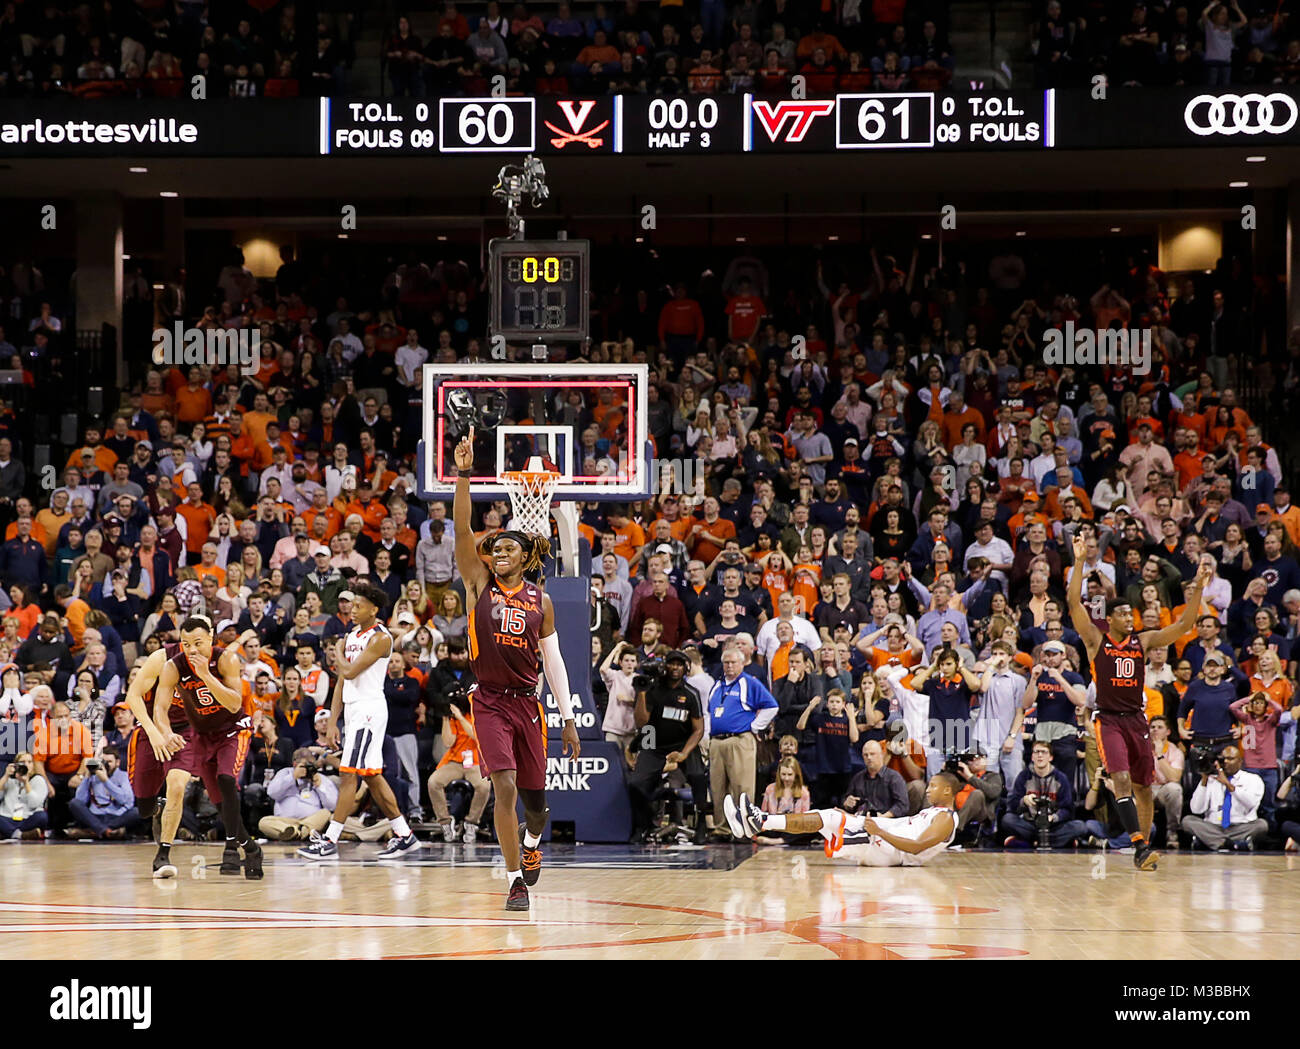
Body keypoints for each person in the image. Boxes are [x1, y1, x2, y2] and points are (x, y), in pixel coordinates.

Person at [450, 428, 579, 911]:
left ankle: (530, 847)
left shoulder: (541, 601)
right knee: (501, 785)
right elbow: (463, 532)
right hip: (488, 700)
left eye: (507, 549)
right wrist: (464, 475)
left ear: (525, 555)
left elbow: (555, 661)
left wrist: (567, 717)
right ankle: (514, 882)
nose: (497, 553)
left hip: (529, 704)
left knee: (537, 807)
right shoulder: (478, 583)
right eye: (495, 549)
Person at [1067, 533, 1210, 871]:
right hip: (1109, 719)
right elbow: (1074, 603)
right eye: (1123, 617)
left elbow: (1184, 624)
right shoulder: (1095, 641)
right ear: (1111, 619)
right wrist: (1077, 561)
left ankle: (1142, 851)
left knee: (1144, 786)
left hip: (1137, 719)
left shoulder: (1143, 641)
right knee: (1120, 779)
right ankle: (1140, 846)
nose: (1129, 620)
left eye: (1130, 617)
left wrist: (1200, 586)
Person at [297, 583, 420, 861]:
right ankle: (404, 835)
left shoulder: (380, 638)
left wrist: (338, 650)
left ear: (374, 609)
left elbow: (349, 670)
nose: (353, 610)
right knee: (371, 775)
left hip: (368, 710)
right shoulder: (353, 634)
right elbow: (342, 680)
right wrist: (333, 721)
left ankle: (329, 840)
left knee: (348, 772)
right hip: (353, 710)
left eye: (359, 605)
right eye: (351, 605)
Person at [154, 617, 263, 878]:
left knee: (226, 779)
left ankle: (230, 847)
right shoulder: (174, 666)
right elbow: (159, 706)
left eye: (198, 643)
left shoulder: (226, 659)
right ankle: (250, 847)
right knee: (217, 801)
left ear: (212, 638)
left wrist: (204, 675)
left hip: (232, 732)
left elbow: (235, 704)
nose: (191, 650)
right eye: (186, 643)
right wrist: (166, 732)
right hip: (202, 735)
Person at [725, 772, 959, 866]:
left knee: (832, 821)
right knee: (831, 816)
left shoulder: (946, 819)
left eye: (933, 786)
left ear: (948, 791)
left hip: (887, 848)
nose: (927, 790)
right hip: (881, 837)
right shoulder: (934, 812)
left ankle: (757, 823)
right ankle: (759, 822)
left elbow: (917, 848)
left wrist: (880, 832)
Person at [627, 648, 707, 843]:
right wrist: (642, 694)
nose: (675, 667)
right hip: (652, 740)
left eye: (680, 664)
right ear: (665, 666)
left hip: (682, 742)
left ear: (686, 668)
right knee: (635, 784)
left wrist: (684, 753)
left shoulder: (691, 693)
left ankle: (701, 824)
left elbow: (698, 729)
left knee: (698, 777)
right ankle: (642, 824)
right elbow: (641, 724)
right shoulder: (653, 688)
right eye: (672, 663)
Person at [706, 644, 778, 840]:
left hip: (739, 739)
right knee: (718, 787)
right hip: (717, 741)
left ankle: (745, 829)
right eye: (726, 662)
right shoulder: (717, 685)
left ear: (741, 663)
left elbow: (771, 706)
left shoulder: (749, 683)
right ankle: (722, 828)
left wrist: (754, 727)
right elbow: (709, 712)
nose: (729, 666)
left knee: (742, 787)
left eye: (733, 662)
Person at [1003, 740, 1088, 848]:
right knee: (1007, 820)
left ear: (1051, 757)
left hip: (1053, 825)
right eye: (1036, 752)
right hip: (1030, 823)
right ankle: (1057, 842)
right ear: (1032, 757)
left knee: (1080, 827)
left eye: (1044, 752)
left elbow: (1067, 809)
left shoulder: (1060, 778)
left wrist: (1053, 817)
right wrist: (1024, 800)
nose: (1040, 755)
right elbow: (1012, 805)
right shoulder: (1024, 776)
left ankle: (1031, 842)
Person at [1182, 744, 1267, 851]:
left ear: (1240, 761)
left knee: (1261, 825)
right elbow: (1196, 809)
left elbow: (1251, 803)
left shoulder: (1252, 779)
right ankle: (1232, 844)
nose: (1225, 762)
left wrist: (1228, 784)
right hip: (1213, 827)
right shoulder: (1211, 779)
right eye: (1223, 759)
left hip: (1240, 827)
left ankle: (1210, 842)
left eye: (1230, 759)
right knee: (1187, 821)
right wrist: (1204, 779)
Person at [428, 701, 491, 844]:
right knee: (434, 782)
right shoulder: (452, 719)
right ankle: (445, 822)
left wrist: (461, 717)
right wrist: (445, 718)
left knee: (484, 786)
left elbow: (476, 736)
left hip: (475, 762)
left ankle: (472, 823)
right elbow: (448, 742)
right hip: (455, 761)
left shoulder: (479, 714)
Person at [258, 748, 340, 841]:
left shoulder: (320, 778)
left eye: (310, 765)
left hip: (311, 821)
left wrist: (320, 786)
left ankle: (297, 833)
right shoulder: (285, 773)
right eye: (303, 765)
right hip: (285, 822)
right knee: (264, 822)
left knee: (326, 813)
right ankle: (299, 833)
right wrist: (292, 778)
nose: (307, 769)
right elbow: (272, 793)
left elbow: (333, 806)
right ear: (295, 764)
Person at [68, 746, 140, 839]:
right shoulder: (93, 775)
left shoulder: (123, 776)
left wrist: (106, 781)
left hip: (115, 816)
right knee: (74, 803)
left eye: (109, 762)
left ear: (117, 763)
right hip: (94, 816)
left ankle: (96, 831)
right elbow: (80, 800)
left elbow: (127, 801)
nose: (105, 765)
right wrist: (87, 777)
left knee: (136, 812)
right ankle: (108, 832)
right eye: (102, 761)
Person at [1148, 715, 1185, 849]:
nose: (1155, 730)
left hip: (1163, 789)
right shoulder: (1141, 749)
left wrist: (1159, 755)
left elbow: (1174, 777)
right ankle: (1139, 834)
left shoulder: (1175, 751)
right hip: (1146, 788)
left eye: (1159, 727)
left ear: (1168, 732)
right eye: (1152, 727)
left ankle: (1172, 832)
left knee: (1174, 789)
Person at [0, 751, 47, 839]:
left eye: (29, 762)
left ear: (33, 765)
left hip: (27, 818)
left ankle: (7, 833)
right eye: (22, 762)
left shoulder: (38, 780)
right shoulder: (9, 779)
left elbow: (34, 804)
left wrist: (26, 783)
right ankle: (20, 835)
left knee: (42, 816)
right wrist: (5, 776)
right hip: (8, 818)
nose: (26, 765)